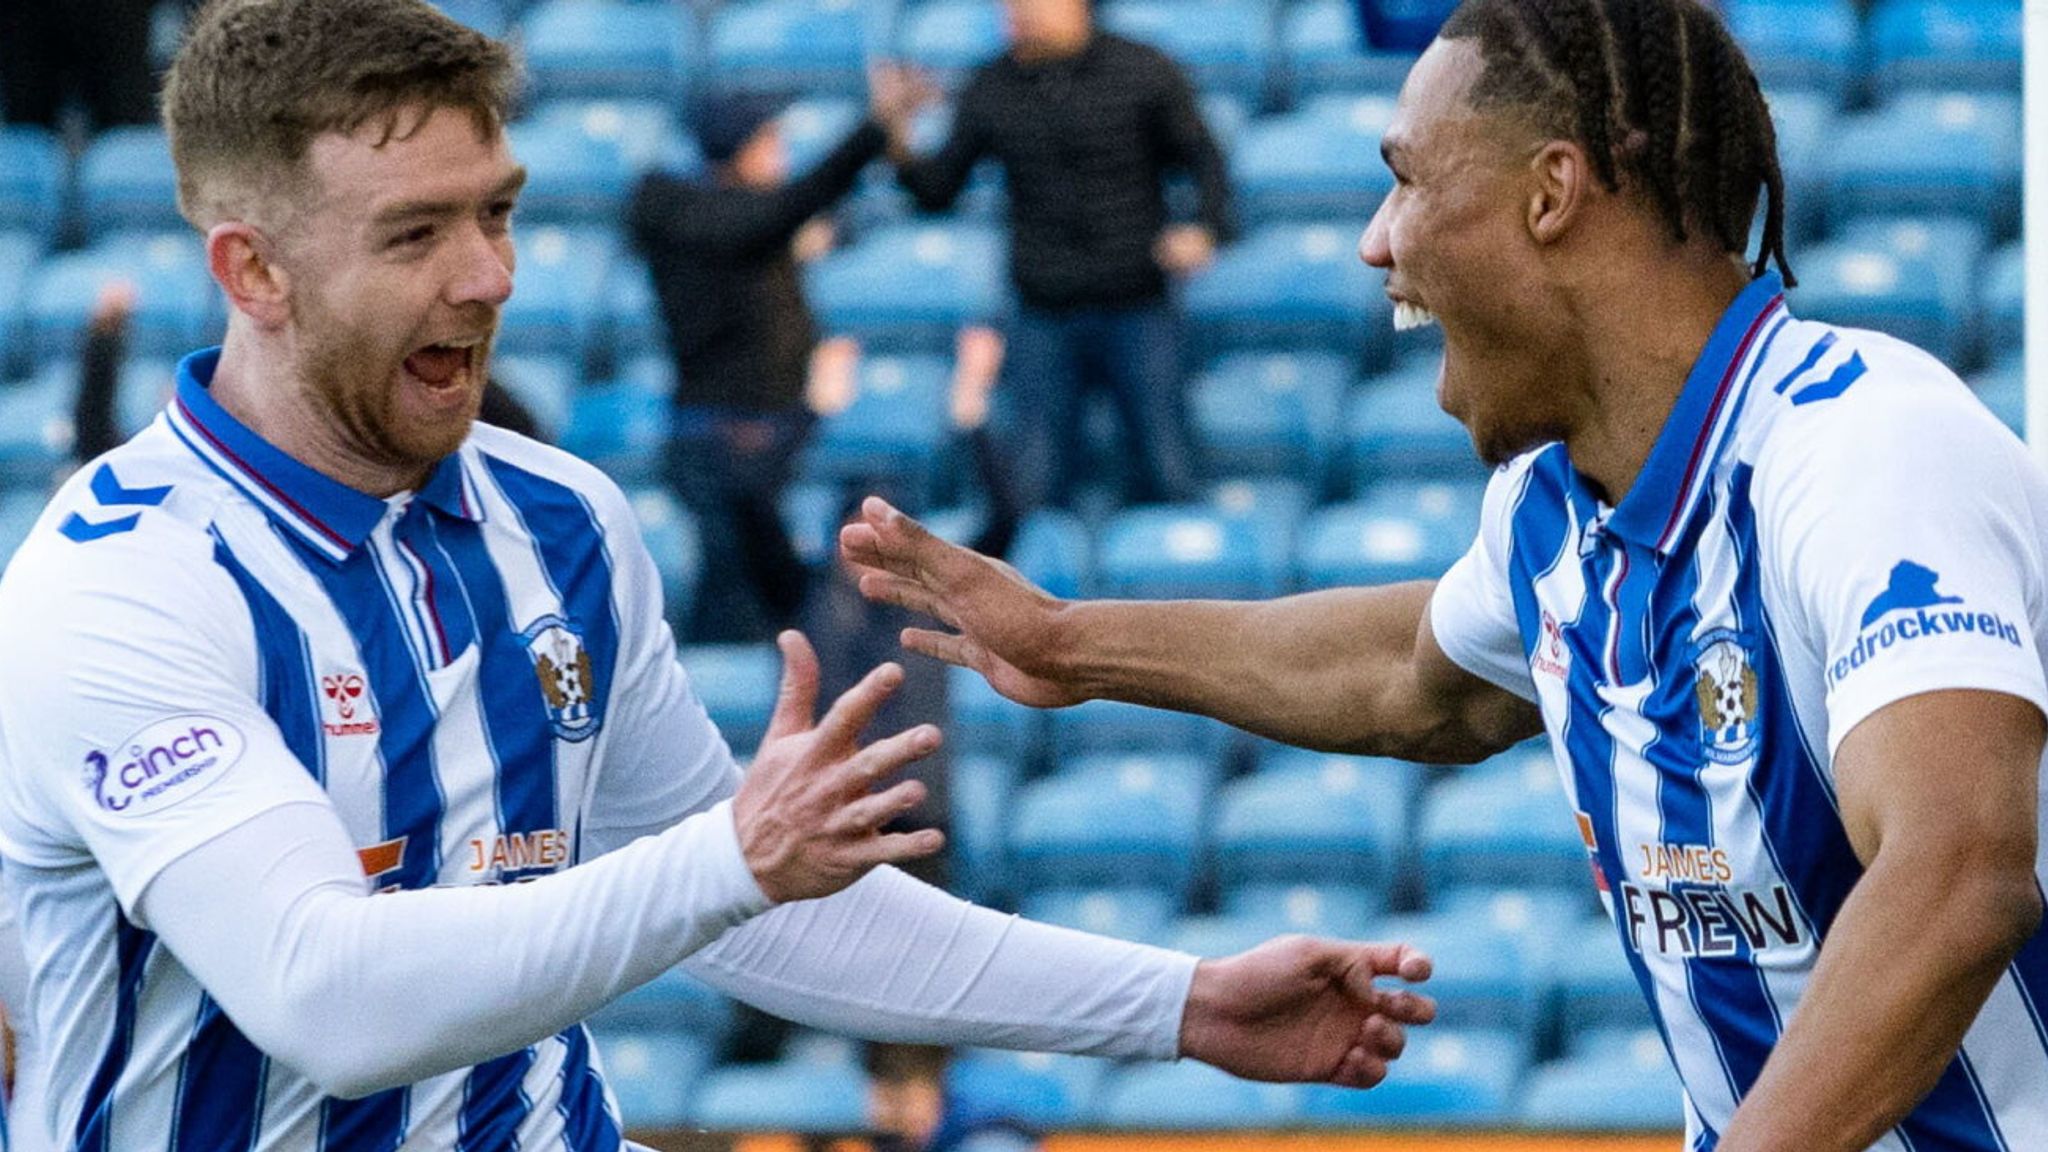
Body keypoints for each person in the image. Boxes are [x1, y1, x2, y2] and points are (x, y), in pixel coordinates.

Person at [0, 2, 1437, 1147]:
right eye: (417, 234)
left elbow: (761, 914)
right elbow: (326, 998)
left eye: (495, 211)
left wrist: (1178, 1004)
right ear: (252, 273)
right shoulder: (119, 589)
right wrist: (725, 859)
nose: (491, 275)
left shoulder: (560, 521)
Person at [843, 1, 2048, 1148]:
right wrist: (1067, 642)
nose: (1375, 237)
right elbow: (1407, 678)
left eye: (1408, 179)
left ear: (1549, 194)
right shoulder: (1550, 514)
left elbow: (1954, 877)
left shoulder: (1859, 448)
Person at [875, 0, 1235, 514]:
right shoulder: (992, 85)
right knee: (1034, 486)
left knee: (1168, 468)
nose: (1016, 10)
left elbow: (1204, 158)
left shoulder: (1143, 69)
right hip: (1043, 311)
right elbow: (938, 190)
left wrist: (1206, 229)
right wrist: (895, 137)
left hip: (1137, 302)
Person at [629, 88, 899, 643]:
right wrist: (874, 130)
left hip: (759, 428)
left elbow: (782, 224)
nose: (780, 151)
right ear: (743, 148)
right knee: (736, 602)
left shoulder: (728, 220)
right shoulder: (697, 214)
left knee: (769, 589)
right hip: (730, 436)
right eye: (770, 139)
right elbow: (782, 210)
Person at [865, 1044, 1039, 1152]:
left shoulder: (991, 1141)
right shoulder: (889, 1139)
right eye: (884, 1100)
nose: (892, 1118)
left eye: (905, 1100)